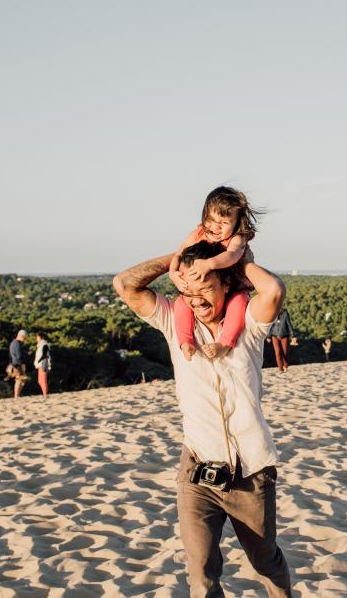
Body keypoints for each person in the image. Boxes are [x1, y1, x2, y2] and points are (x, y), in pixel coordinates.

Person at [113, 241, 293, 598]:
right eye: (187, 290)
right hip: (197, 468)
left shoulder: (250, 323)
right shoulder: (173, 320)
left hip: (250, 471)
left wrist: (231, 261)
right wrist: (179, 263)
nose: (195, 299)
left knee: (265, 562)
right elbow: (124, 284)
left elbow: (273, 289)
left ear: (225, 284)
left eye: (205, 287)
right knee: (201, 573)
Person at [169, 186, 262, 363]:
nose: (215, 227)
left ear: (236, 223)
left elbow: (232, 255)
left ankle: (225, 343)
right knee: (181, 304)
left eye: (224, 223)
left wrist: (209, 263)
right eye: (211, 220)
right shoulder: (197, 234)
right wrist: (173, 273)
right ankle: (185, 342)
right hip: (208, 290)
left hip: (234, 286)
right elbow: (177, 255)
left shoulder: (237, 238)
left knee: (239, 302)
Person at [6, 329, 30, 397]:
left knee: (21, 380)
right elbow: (19, 355)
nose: (24, 340)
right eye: (24, 338)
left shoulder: (13, 343)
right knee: (19, 380)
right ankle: (16, 395)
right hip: (18, 364)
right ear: (21, 336)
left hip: (14, 363)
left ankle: (17, 395)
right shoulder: (17, 343)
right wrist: (26, 355)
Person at [33, 332, 51, 396]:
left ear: (41, 337)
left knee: (43, 380)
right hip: (40, 365)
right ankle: (45, 393)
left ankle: (45, 394)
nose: (36, 338)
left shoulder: (44, 345)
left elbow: (47, 356)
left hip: (43, 364)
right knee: (40, 381)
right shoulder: (40, 345)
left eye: (37, 337)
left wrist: (49, 366)